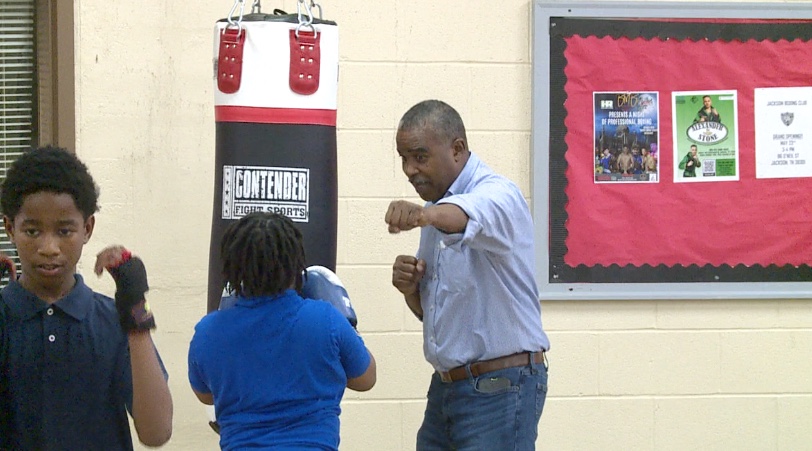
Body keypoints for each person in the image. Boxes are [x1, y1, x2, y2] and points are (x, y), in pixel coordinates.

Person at [385, 100, 550, 450]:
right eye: (404, 158)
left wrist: (422, 217)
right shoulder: (435, 208)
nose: (410, 170)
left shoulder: (498, 194)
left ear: (457, 149)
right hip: (446, 389)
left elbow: (464, 215)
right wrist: (411, 288)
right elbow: (432, 315)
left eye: (420, 156)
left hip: (499, 389)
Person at [0, 146, 173, 450]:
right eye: (32, 231)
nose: (49, 248)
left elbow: (156, 432)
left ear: (87, 228)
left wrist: (136, 304)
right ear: (10, 228)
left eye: (64, 231)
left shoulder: (112, 320)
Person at [187, 212, 376, 451]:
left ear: (233, 267)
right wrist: (349, 328)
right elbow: (366, 379)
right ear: (294, 264)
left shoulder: (207, 333)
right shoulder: (326, 319)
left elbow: (206, 396)